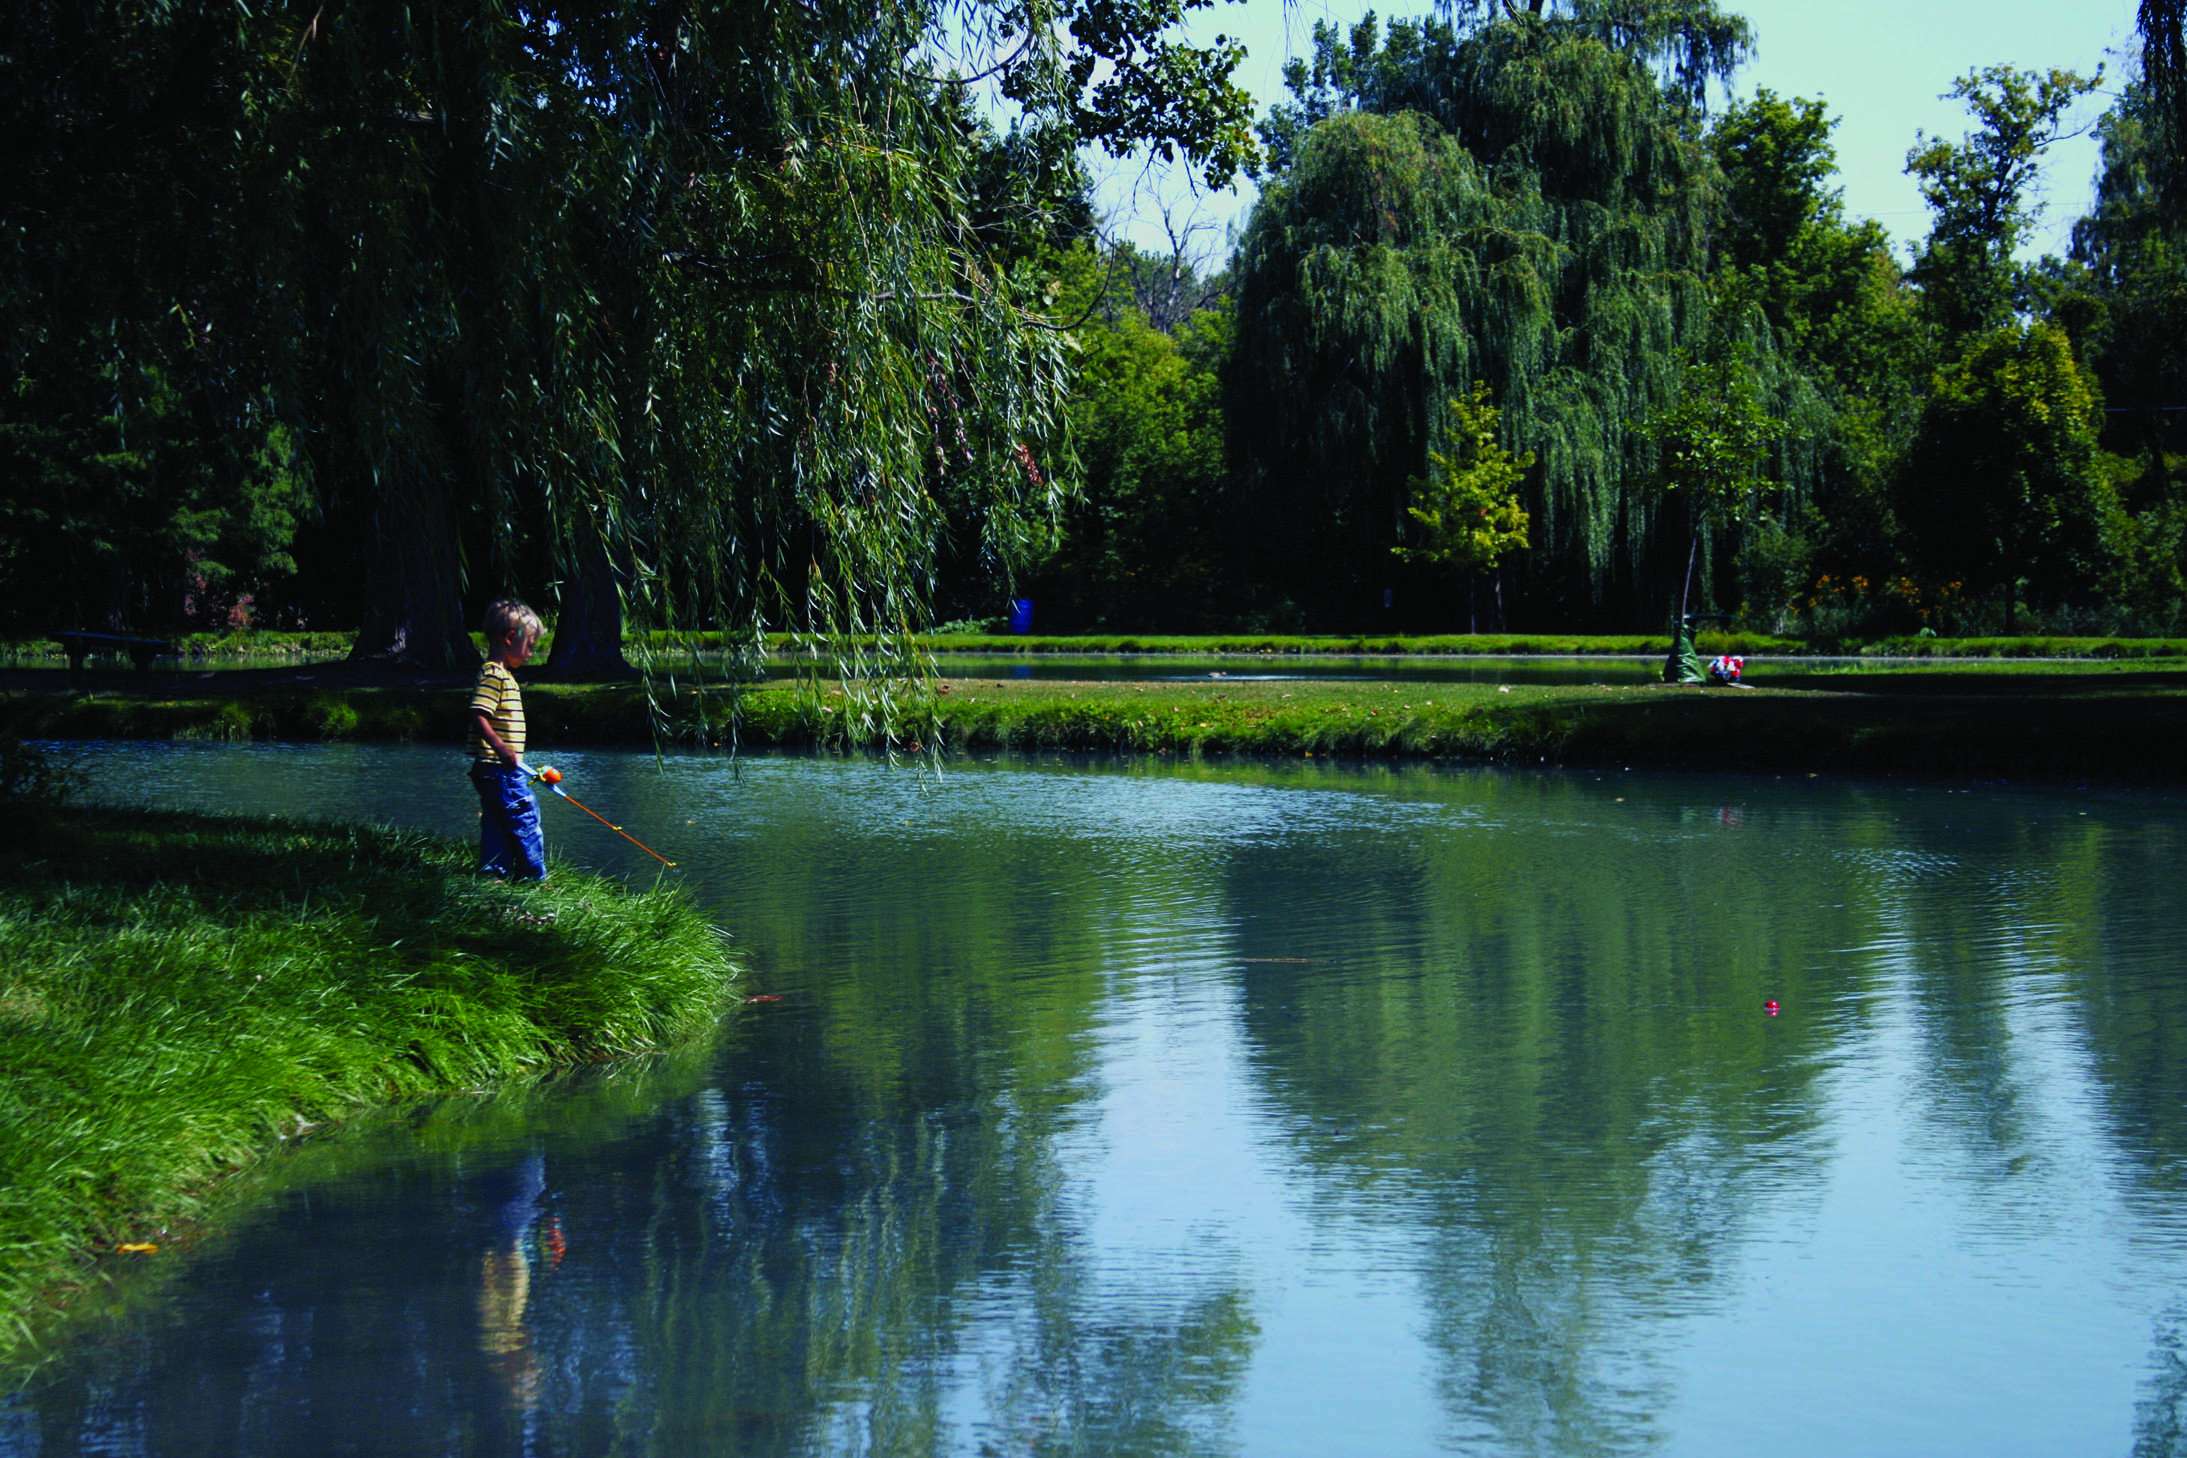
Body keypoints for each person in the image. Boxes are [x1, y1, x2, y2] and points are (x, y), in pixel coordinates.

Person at [469, 598, 548, 880]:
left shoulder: (502, 675)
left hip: (494, 768)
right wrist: (501, 747)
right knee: (524, 816)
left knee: (497, 822)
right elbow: (479, 714)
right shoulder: (494, 675)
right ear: (510, 638)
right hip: (499, 768)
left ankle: (493, 874)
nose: (530, 654)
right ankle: (533, 876)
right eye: (530, 646)